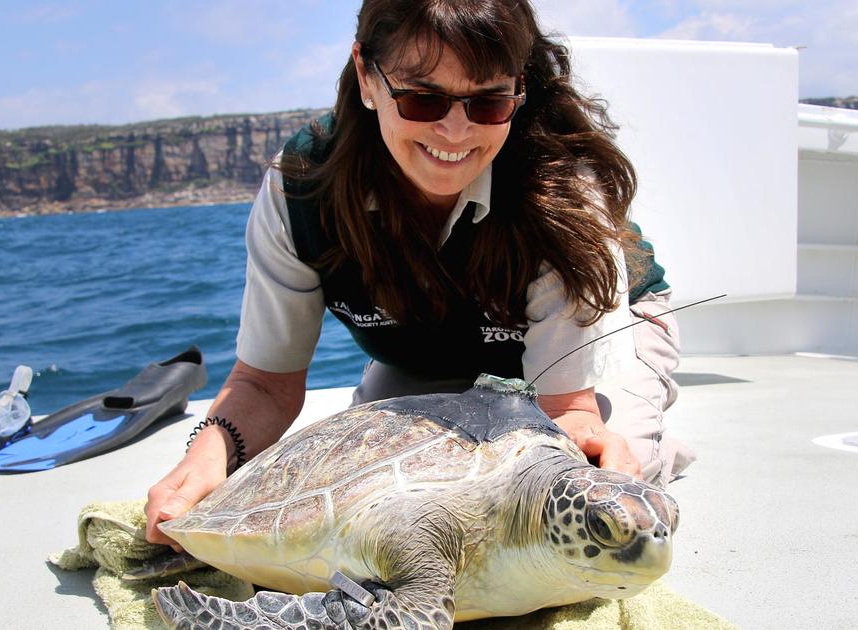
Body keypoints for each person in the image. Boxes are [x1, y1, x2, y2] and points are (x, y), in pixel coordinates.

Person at [146, 0, 693, 549]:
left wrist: (592, 441)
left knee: (591, 500)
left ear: (518, 89)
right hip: (432, 353)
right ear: (366, 76)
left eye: (489, 101)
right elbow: (265, 383)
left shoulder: (560, 188)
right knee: (369, 497)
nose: (455, 131)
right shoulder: (304, 188)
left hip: (594, 352)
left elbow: (564, 411)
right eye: (422, 97)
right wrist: (207, 457)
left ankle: (653, 446)